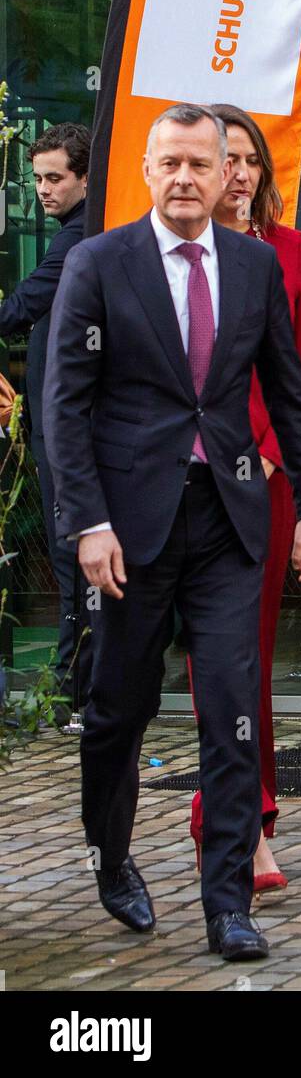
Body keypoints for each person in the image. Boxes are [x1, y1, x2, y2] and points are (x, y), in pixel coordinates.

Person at [43, 104, 301, 961]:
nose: (185, 179)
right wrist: (86, 523)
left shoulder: (252, 265)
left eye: (201, 166)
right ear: (146, 169)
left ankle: (227, 899)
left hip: (230, 523)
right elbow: (65, 407)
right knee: (117, 710)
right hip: (129, 532)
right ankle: (111, 853)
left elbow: (288, 395)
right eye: (169, 163)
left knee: (234, 710)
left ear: (224, 176)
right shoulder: (100, 264)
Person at [187, 103, 301, 892]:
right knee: (212, 664)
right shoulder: (171, 257)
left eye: (248, 161)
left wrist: (276, 462)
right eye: (223, 159)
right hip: (180, 481)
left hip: (262, 484)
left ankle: (252, 820)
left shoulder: (292, 252)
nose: (236, 175)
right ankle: (225, 816)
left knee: (250, 661)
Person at [0, 123, 90, 715]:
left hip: (70, 426)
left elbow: (26, 305)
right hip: (60, 421)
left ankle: (71, 687)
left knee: (72, 552)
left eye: (55, 177)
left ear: (85, 177)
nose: (43, 189)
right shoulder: (74, 234)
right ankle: (73, 684)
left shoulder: (77, 239)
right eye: (36, 178)